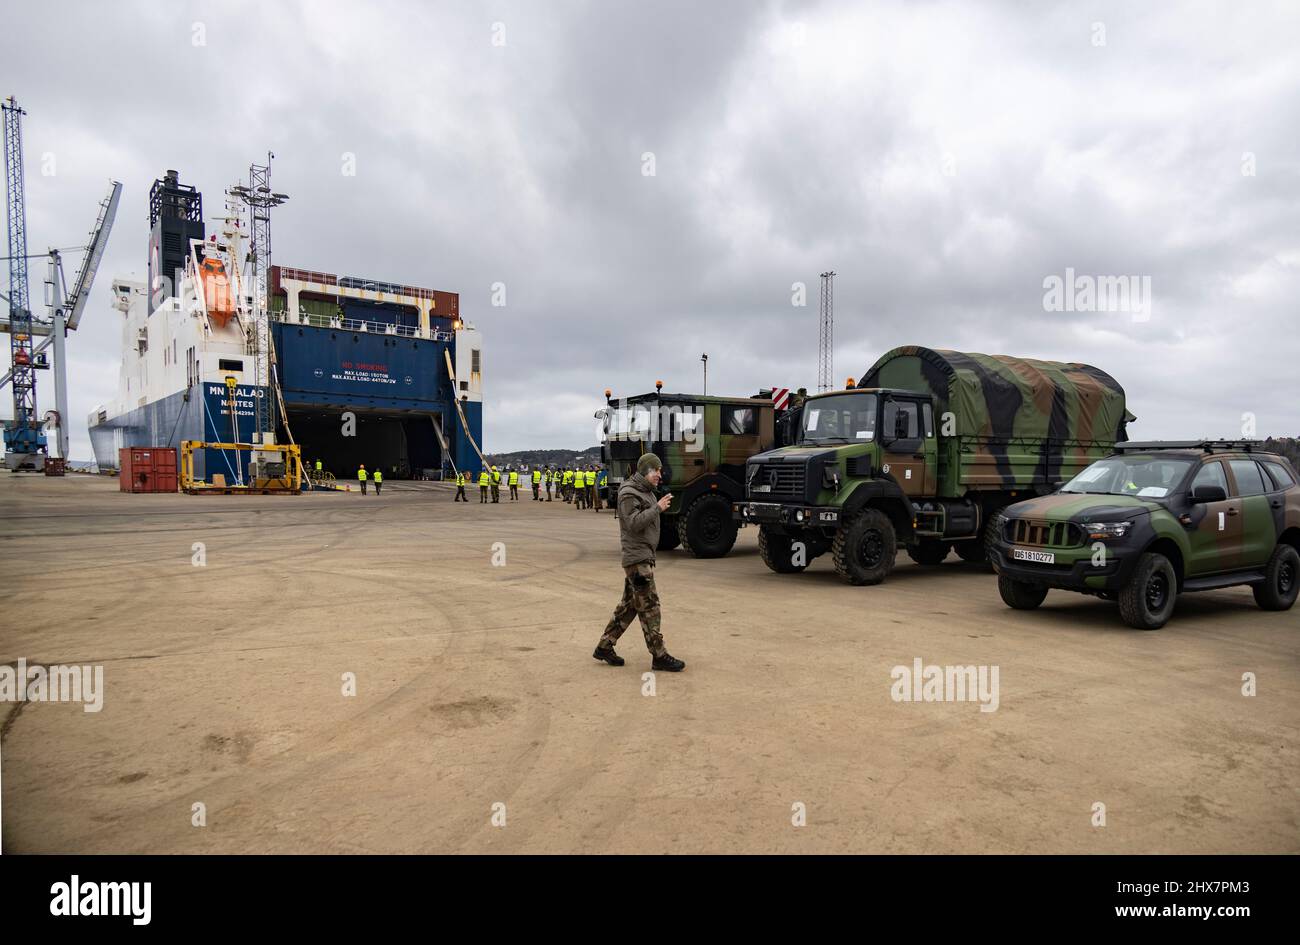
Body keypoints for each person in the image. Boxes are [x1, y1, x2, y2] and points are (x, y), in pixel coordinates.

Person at [593, 453, 685, 672]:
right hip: (636, 560)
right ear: (646, 471)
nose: (659, 475)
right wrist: (658, 508)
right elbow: (633, 523)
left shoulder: (646, 492)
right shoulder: (628, 493)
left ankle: (605, 646)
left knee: (630, 605)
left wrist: (658, 505)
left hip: (643, 556)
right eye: (657, 471)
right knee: (650, 606)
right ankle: (659, 655)